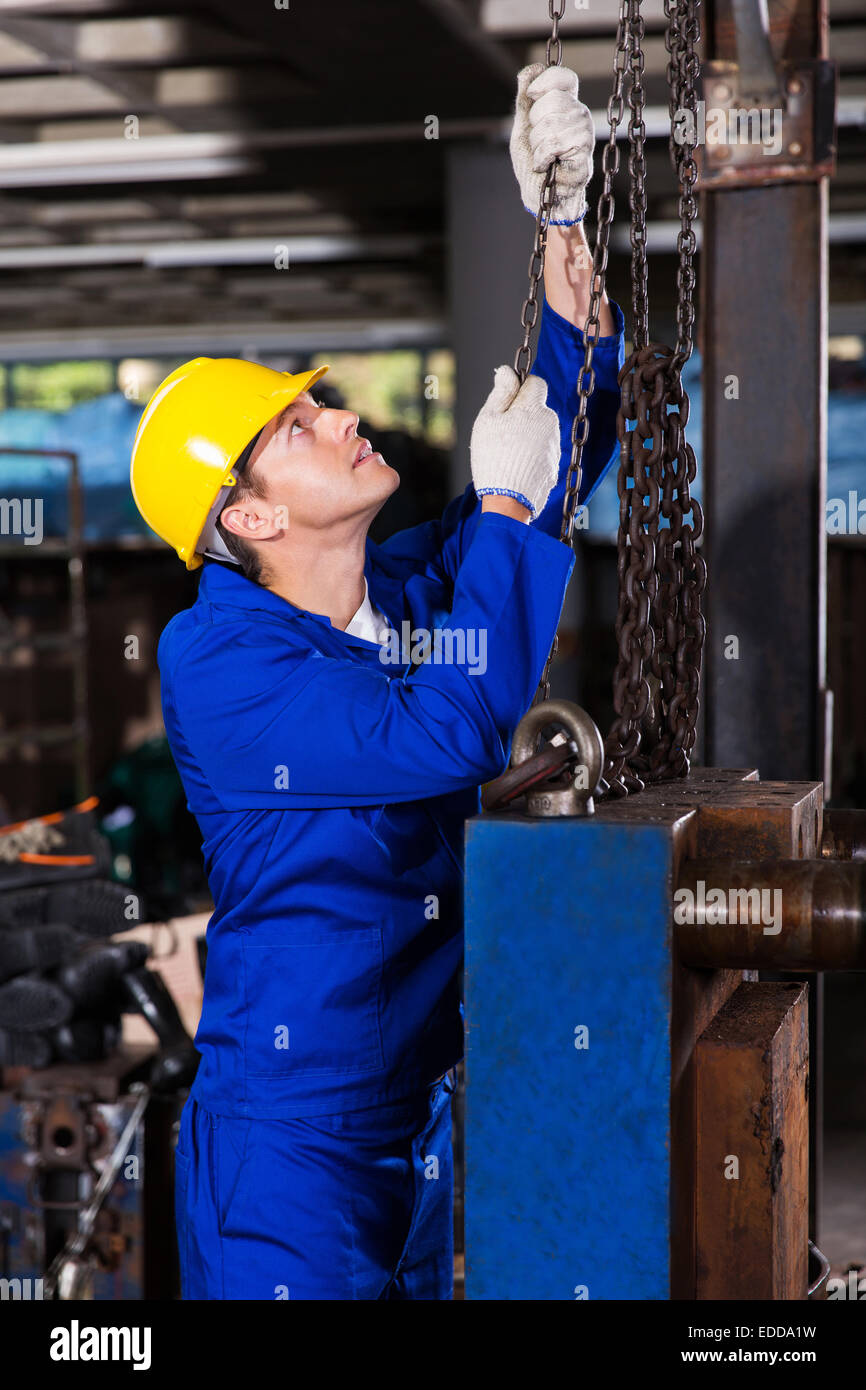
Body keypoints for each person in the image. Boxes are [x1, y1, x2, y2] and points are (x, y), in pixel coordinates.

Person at [130, 64, 625, 1300]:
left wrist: (563, 234)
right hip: (289, 1142)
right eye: (296, 427)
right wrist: (504, 501)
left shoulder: (396, 599)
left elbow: (553, 468)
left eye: (320, 403)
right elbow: (452, 728)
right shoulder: (218, 661)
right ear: (244, 513)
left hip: (413, 1108)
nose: (340, 418)